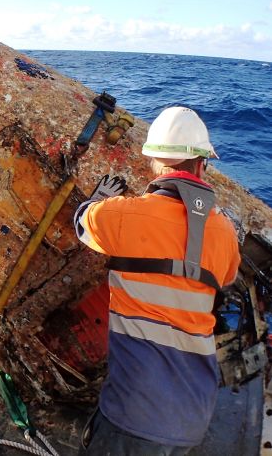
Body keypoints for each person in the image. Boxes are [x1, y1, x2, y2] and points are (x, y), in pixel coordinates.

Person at [74, 106, 240, 455]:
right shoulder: (224, 232)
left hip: (133, 413)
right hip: (194, 414)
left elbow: (81, 223)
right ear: (202, 164)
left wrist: (97, 200)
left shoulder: (120, 215)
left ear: (153, 162)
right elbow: (227, 276)